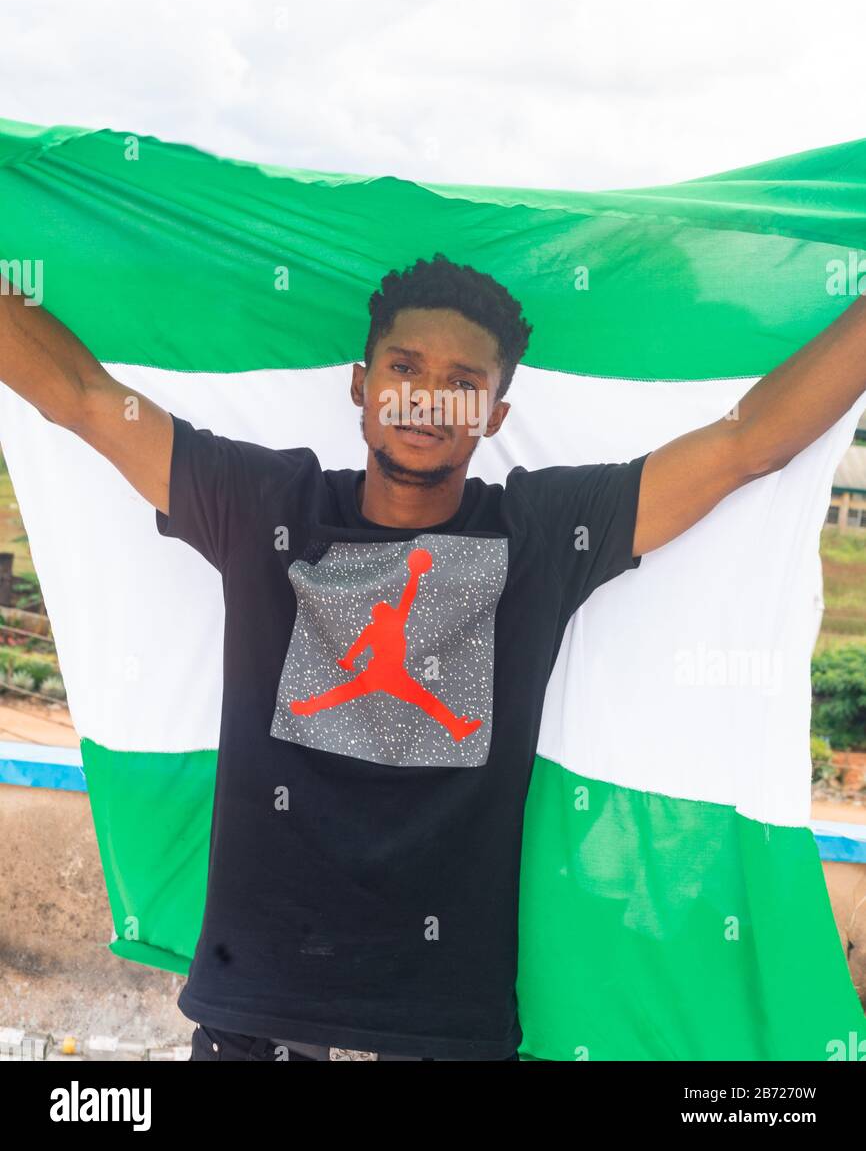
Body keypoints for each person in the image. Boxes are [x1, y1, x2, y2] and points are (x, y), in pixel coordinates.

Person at [2, 252, 865, 1061]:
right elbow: (81, 395)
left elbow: (747, 441)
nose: (428, 400)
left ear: (495, 415)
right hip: (254, 1011)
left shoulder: (540, 535)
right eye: (405, 369)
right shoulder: (261, 503)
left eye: (463, 384)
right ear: (361, 384)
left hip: (446, 1026)